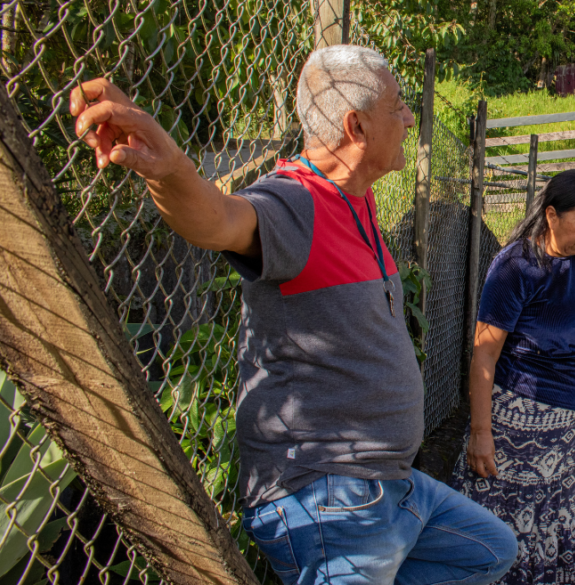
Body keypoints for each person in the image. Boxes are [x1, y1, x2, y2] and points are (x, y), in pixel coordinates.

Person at [70, 45, 517, 585]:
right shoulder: (294, 202)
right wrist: (168, 169)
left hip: (391, 487)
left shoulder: (357, 200)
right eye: (398, 106)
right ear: (355, 126)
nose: (407, 118)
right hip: (331, 494)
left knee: (490, 550)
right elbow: (216, 220)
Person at [449, 169, 575, 585]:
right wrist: (480, 431)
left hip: (563, 440)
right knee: (505, 541)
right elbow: (484, 355)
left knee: (549, 537)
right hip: (515, 436)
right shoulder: (515, 267)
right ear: (552, 215)